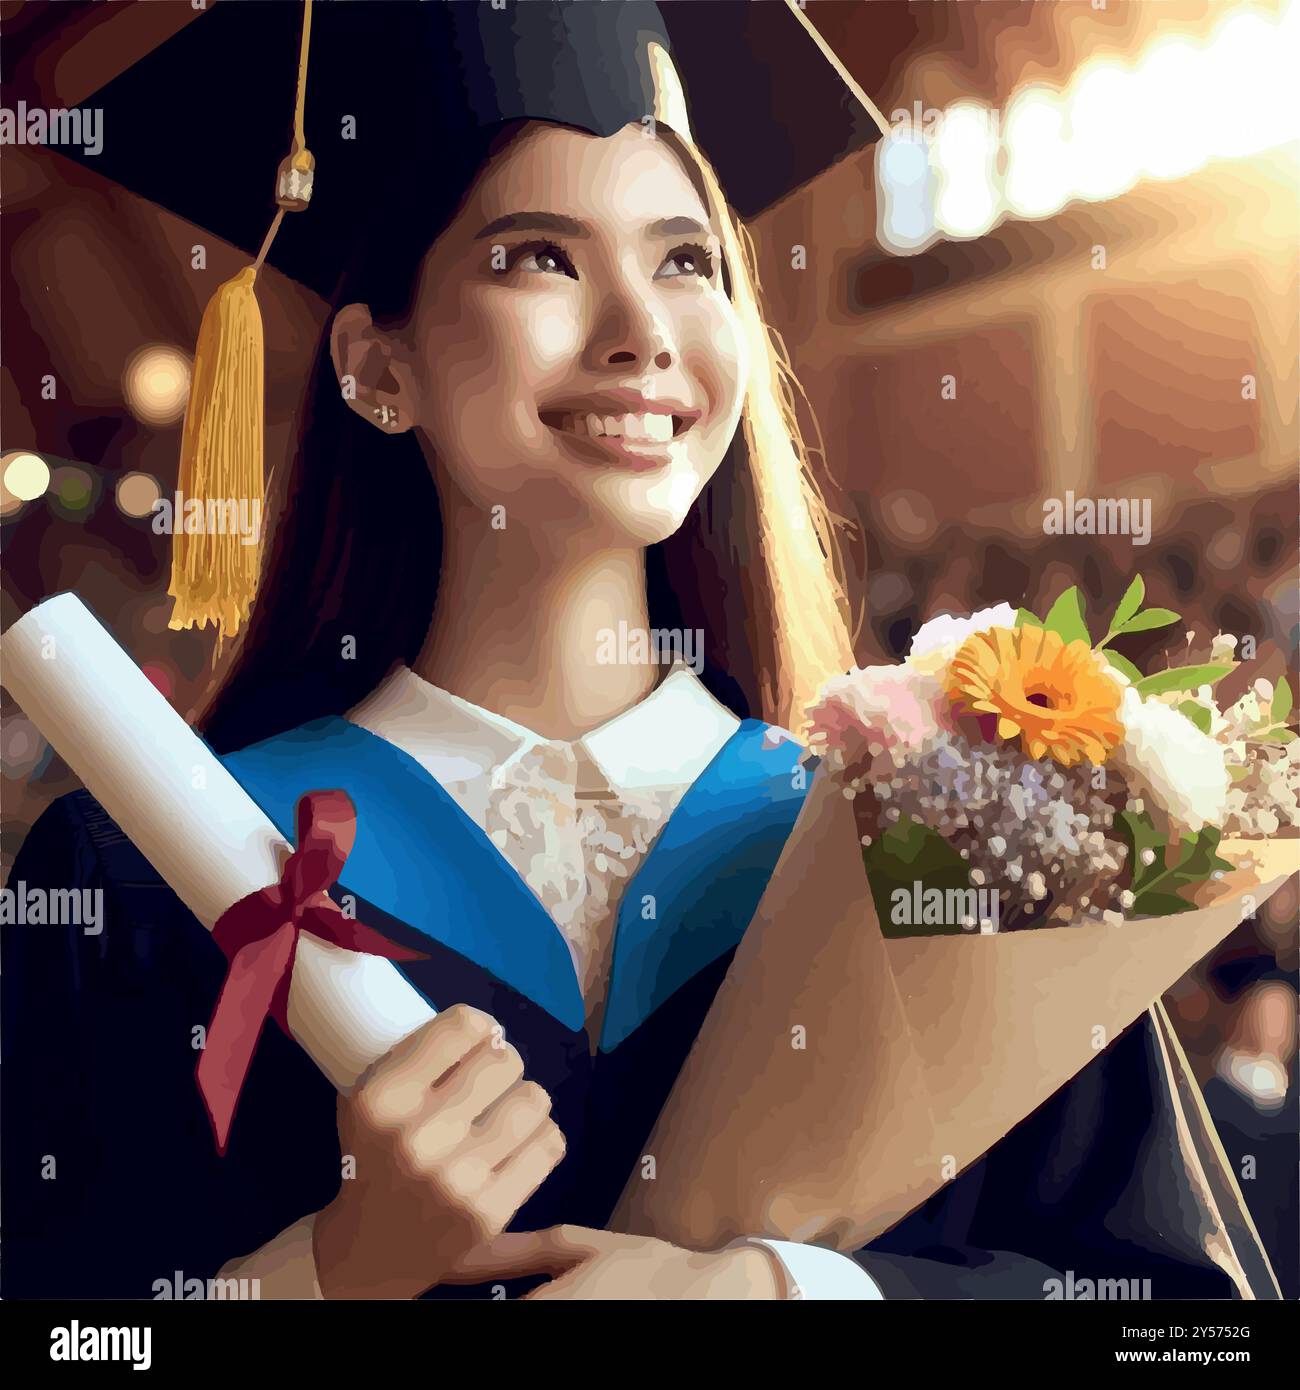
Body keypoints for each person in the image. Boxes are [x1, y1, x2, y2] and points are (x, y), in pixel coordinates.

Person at [1, 0, 1276, 1300]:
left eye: (687, 260)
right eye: (537, 258)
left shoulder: (955, 842)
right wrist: (324, 1272)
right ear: (377, 363)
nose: (640, 329)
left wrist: (781, 1291)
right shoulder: (148, 879)